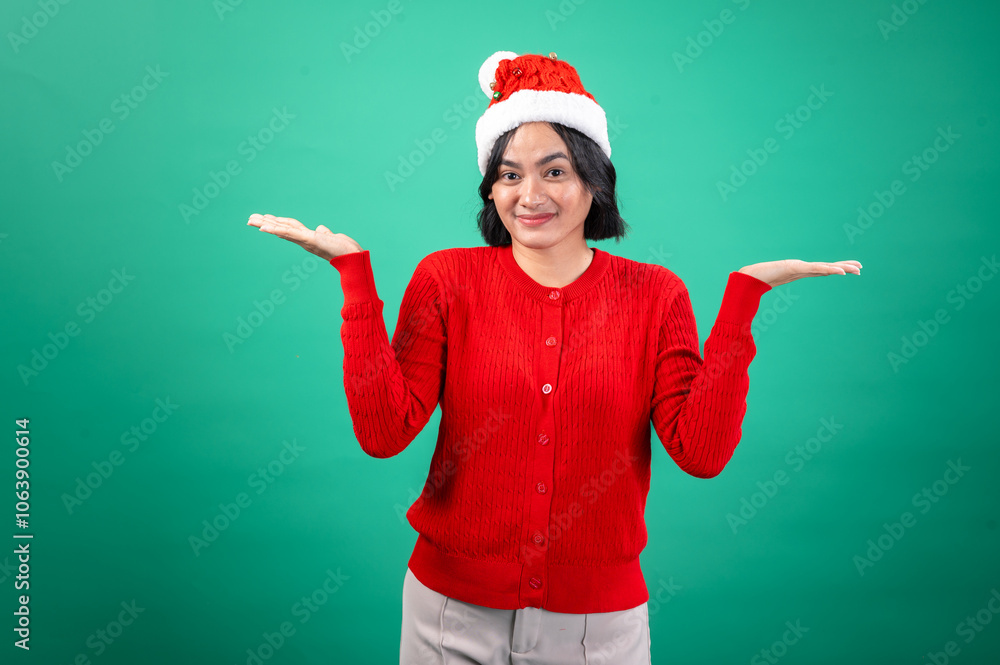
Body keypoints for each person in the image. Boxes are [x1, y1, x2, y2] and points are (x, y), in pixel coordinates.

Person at [246, 50, 861, 665]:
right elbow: (384, 432)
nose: (530, 195)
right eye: (509, 175)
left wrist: (741, 304)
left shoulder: (655, 294)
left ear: (595, 181)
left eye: (555, 171)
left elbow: (700, 455)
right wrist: (354, 279)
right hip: (447, 615)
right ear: (491, 188)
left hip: (599, 630)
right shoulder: (446, 279)